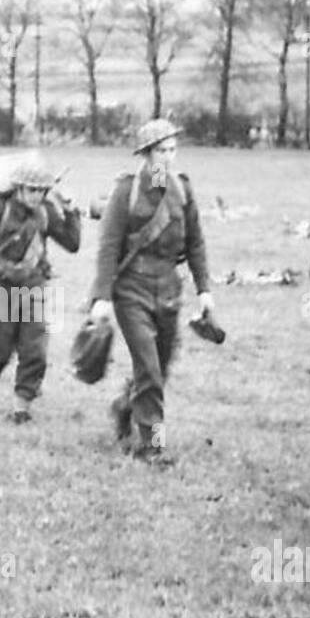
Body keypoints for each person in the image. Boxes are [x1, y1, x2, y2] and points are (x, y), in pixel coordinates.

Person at [88, 119, 214, 466]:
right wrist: (101, 297)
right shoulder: (126, 190)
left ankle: (125, 406)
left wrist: (205, 290)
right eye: (161, 150)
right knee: (150, 370)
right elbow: (109, 245)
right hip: (132, 290)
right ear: (145, 154)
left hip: (169, 290)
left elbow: (196, 243)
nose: (168, 158)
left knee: (161, 367)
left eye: (172, 150)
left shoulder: (182, 189)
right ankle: (152, 445)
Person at [0, 162, 81, 422]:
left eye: (42, 190)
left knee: (35, 349)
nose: (37, 195)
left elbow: (72, 244)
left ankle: (21, 407)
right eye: (31, 190)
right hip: (1, 285)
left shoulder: (45, 212)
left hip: (33, 285)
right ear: (19, 189)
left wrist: (70, 211)